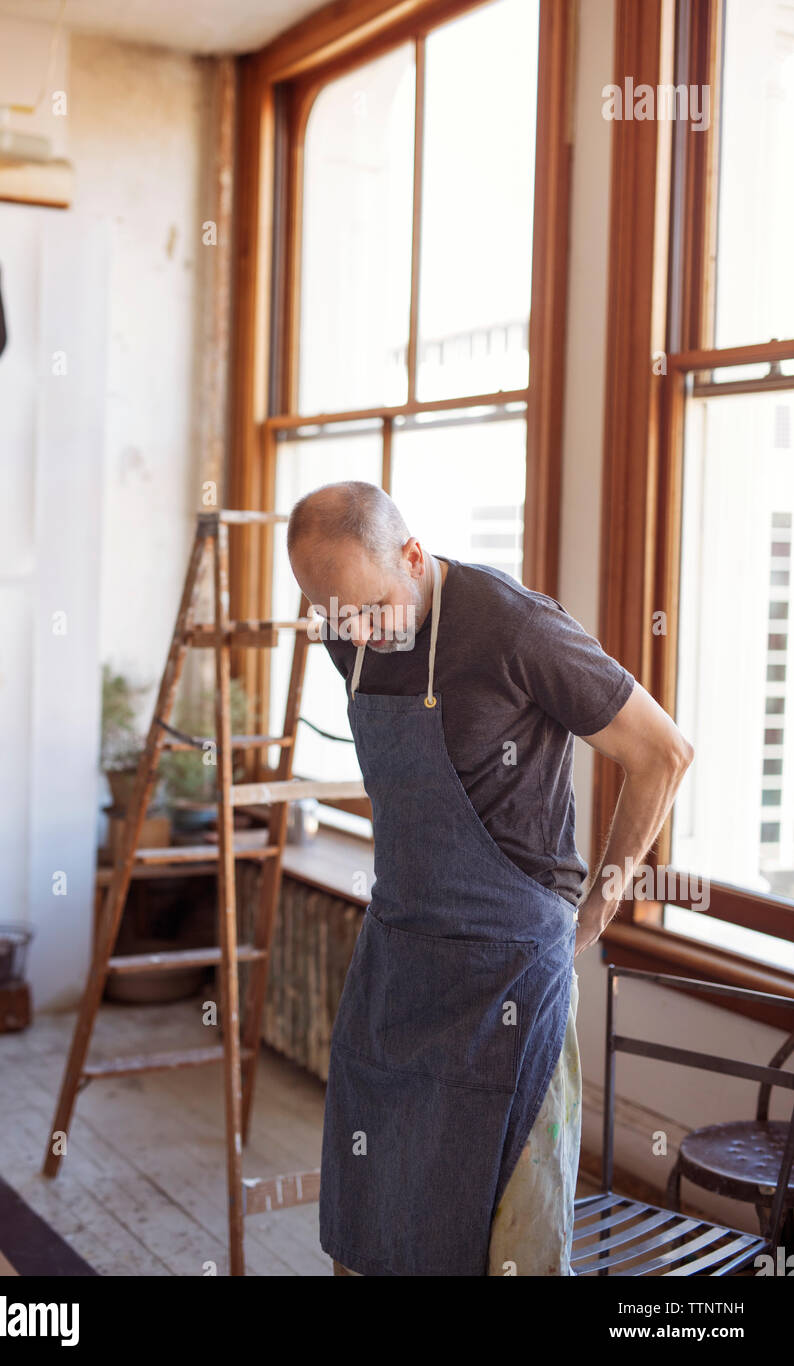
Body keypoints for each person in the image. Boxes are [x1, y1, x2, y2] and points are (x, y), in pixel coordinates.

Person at [287, 480, 693, 1277]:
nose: (355, 634)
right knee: (370, 1225)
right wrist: (351, 619)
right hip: (399, 964)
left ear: (411, 555)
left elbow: (663, 752)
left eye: (369, 610)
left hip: (510, 971)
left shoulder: (513, 625)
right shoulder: (344, 630)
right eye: (334, 616)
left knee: (513, 1246)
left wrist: (593, 914)